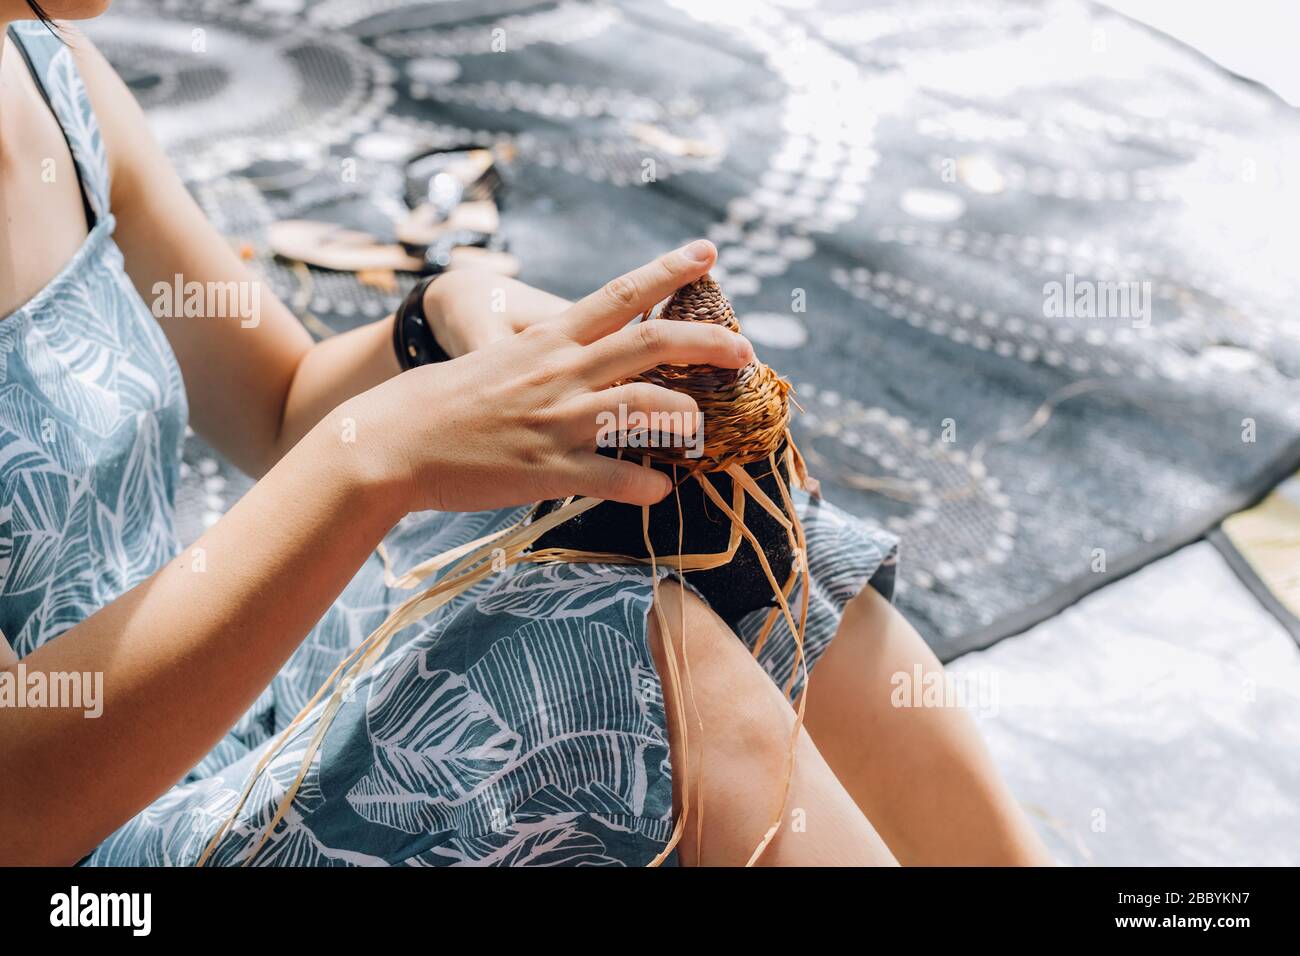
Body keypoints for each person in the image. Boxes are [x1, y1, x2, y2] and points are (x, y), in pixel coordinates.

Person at [0, 2, 1051, 866]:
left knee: (682, 496)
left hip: (211, 688)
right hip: (88, 840)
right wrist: (375, 455)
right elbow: (22, 806)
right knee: (637, 659)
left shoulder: (47, 67)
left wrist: (439, 318)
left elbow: (277, 405)